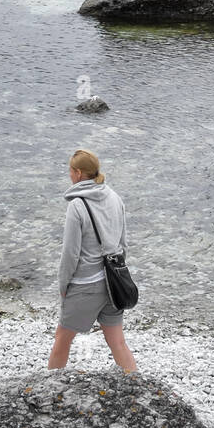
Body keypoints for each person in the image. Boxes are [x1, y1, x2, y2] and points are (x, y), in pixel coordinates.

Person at [47, 149, 137, 373]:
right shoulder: (115, 198)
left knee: (62, 339)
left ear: (78, 173)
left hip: (85, 285)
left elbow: (70, 254)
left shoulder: (77, 206)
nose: (69, 175)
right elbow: (123, 245)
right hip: (114, 283)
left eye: (70, 171)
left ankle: (46, 390)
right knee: (117, 342)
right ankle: (138, 387)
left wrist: (63, 286)